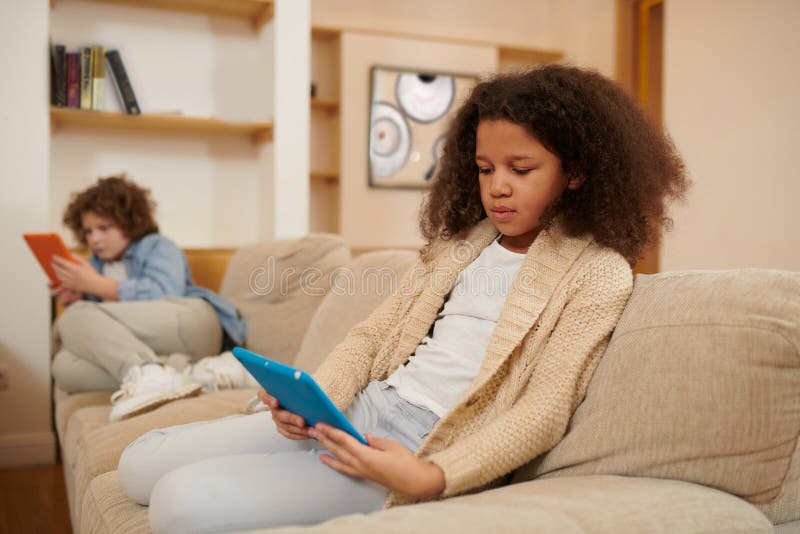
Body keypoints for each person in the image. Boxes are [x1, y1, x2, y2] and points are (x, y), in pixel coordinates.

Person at [117, 65, 689, 533]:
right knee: (137, 466)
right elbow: (370, 338)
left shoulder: (597, 274)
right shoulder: (460, 245)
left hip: (420, 444)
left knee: (177, 505)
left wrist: (432, 475)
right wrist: (319, 404)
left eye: (522, 169)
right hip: (356, 410)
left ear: (577, 174)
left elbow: (544, 410)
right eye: (486, 168)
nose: (498, 187)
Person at [50, 175, 252, 422]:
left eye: (104, 228)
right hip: (158, 345)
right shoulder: (96, 265)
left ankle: (147, 371)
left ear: (130, 222)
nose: (94, 239)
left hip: (194, 322)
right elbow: (105, 333)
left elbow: (165, 292)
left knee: (75, 316)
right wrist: (79, 294)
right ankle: (192, 373)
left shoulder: (157, 246)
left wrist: (95, 286)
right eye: (88, 231)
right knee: (64, 368)